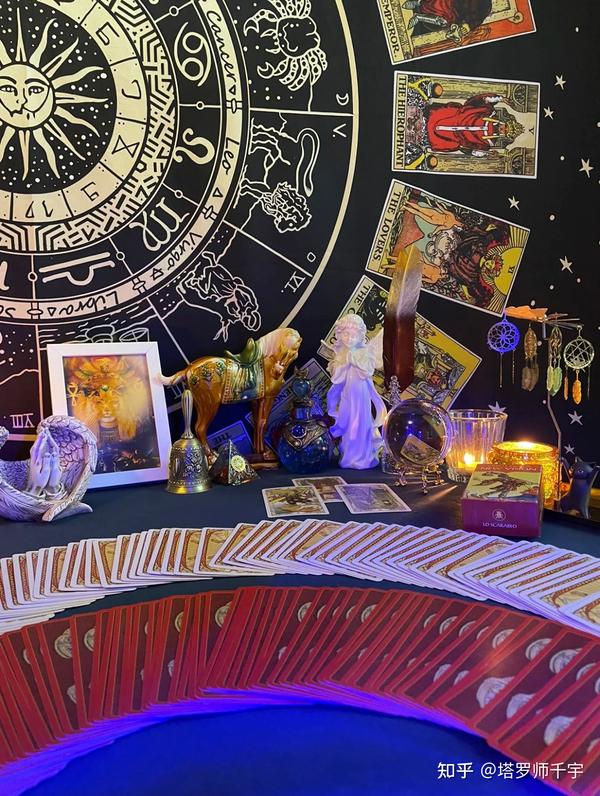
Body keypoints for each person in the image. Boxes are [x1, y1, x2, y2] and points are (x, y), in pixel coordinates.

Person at [326, 314, 386, 469]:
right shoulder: (340, 354)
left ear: (360, 336)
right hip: (347, 394)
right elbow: (336, 377)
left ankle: (364, 457)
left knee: (361, 424)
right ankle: (349, 457)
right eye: (346, 334)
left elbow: (368, 371)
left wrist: (355, 361)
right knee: (347, 422)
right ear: (340, 335)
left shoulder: (365, 352)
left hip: (361, 394)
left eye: (353, 335)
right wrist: (345, 364)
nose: (350, 339)